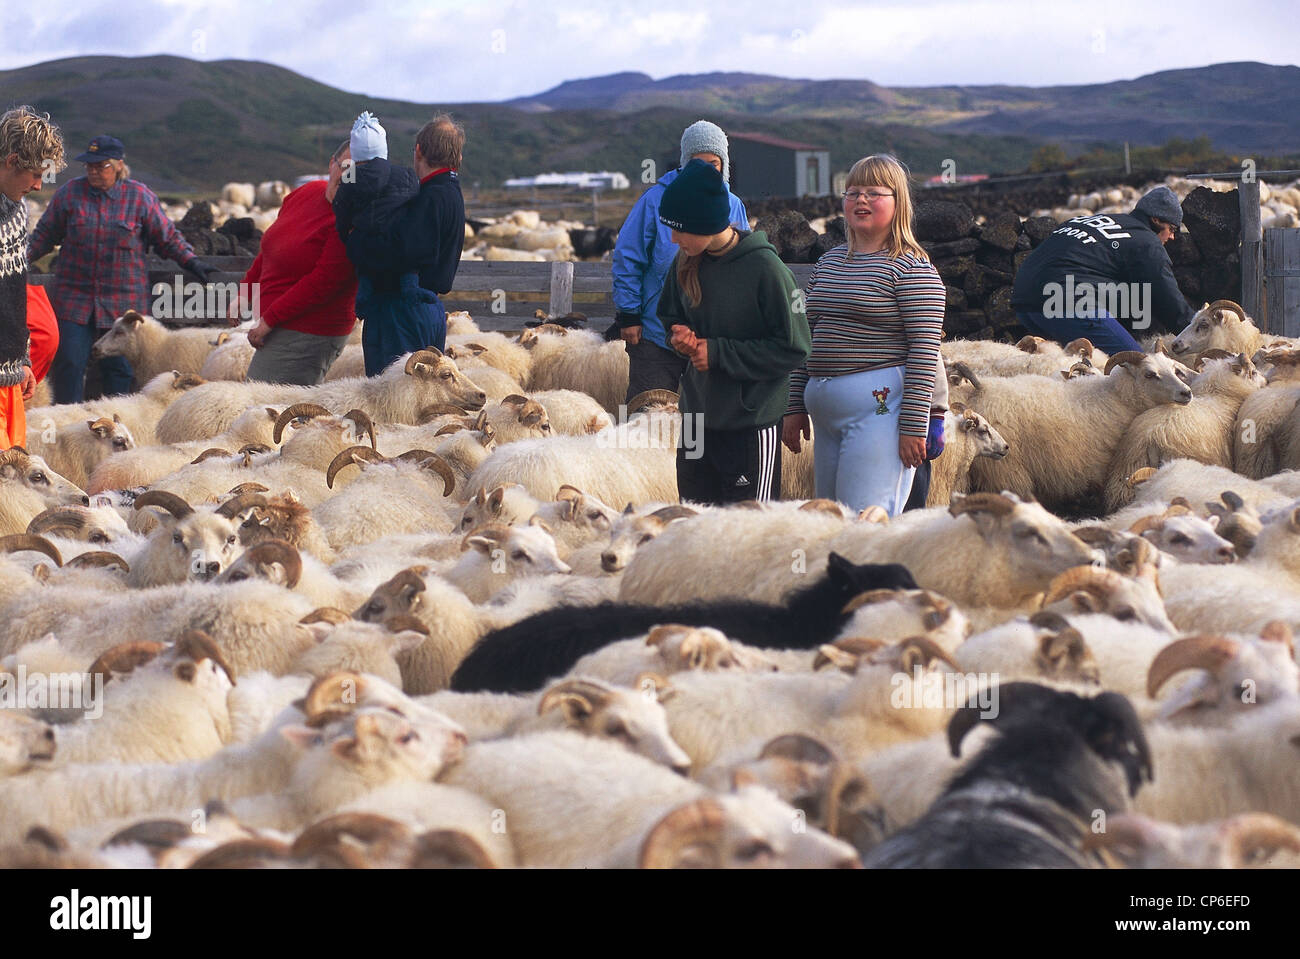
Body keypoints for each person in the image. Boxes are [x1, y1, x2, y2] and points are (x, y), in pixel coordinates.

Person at [783, 154, 945, 517]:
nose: (860, 200)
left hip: (879, 413)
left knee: (865, 522)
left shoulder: (912, 268)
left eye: (874, 192)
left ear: (898, 201)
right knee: (829, 519)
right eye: (852, 192)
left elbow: (924, 351)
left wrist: (914, 427)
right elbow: (809, 334)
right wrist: (794, 404)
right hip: (824, 417)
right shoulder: (830, 261)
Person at [656, 159, 810, 505]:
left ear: (707, 222)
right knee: (693, 524)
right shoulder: (682, 263)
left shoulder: (766, 270)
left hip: (748, 423)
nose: (673, 238)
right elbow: (669, 316)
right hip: (696, 420)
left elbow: (794, 347)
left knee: (747, 534)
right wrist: (679, 337)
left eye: (679, 229)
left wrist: (718, 353)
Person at [27, 134, 214, 403]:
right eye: (89, 166)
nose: (93, 171)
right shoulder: (69, 194)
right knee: (69, 363)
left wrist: (192, 262)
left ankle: (115, 426)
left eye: (100, 165)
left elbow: (167, 237)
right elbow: (44, 235)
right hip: (74, 299)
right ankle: (66, 424)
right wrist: (15, 260)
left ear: (118, 166)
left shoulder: (140, 197)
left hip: (123, 302)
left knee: (120, 369)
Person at [612, 120, 749, 405]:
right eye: (696, 163)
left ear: (724, 164)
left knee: (706, 420)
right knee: (648, 416)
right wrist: (629, 314)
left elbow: (742, 263)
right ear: (684, 162)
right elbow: (628, 255)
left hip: (712, 336)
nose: (705, 171)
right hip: (655, 333)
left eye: (713, 163)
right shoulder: (654, 200)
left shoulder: (733, 204)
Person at [339, 112, 466, 374]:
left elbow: (403, 253)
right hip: (429, 309)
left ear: (418, 150)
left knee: (392, 401)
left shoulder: (428, 197)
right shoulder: (450, 192)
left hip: (399, 313)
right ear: (458, 156)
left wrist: (355, 239)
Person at [1011, 185, 1194, 353]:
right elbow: (1167, 298)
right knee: (1137, 370)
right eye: (1172, 229)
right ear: (1155, 219)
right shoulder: (1147, 242)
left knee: (1075, 369)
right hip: (1067, 302)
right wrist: (1197, 332)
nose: (1172, 237)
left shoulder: (1092, 221)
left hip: (1025, 302)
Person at [239, 140, 358, 386]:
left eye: (358, 171)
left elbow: (324, 281)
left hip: (311, 330)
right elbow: (271, 247)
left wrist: (269, 320)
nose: (349, 175)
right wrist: (246, 291)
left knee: (267, 410)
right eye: (345, 166)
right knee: (262, 406)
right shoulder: (305, 193)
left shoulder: (351, 217)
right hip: (279, 324)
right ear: (331, 164)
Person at [0, 106, 65, 449]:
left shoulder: (18, 209)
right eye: (35, 174)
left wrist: (22, 359)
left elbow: (12, 291)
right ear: (11, 161)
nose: (40, 184)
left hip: (8, 378)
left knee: (13, 475)